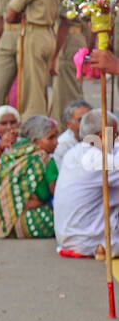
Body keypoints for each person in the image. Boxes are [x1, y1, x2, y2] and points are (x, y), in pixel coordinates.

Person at [0, 113, 59, 240]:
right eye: (51, 138)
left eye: (57, 136)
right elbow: (57, 194)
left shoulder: (13, 153)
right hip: (31, 218)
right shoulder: (45, 161)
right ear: (35, 141)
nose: (57, 142)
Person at [53, 108, 119, 256]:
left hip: (68, 237)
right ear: (103, 135)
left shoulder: (74, 152)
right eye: (116, 135)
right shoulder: (98, 160)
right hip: (89, 240)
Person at [48, 0, 88, 121]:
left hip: (68, 41)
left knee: (69, 94)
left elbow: (64, 22)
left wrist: (54, 56)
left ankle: (75, 132)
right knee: (68, 89)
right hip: (79, 38)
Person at [53, 100, 92, 169]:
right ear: (68, 124)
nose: (87, 124)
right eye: (80, 120)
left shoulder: (99, 136)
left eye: (90, 118)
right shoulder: (62, 145)